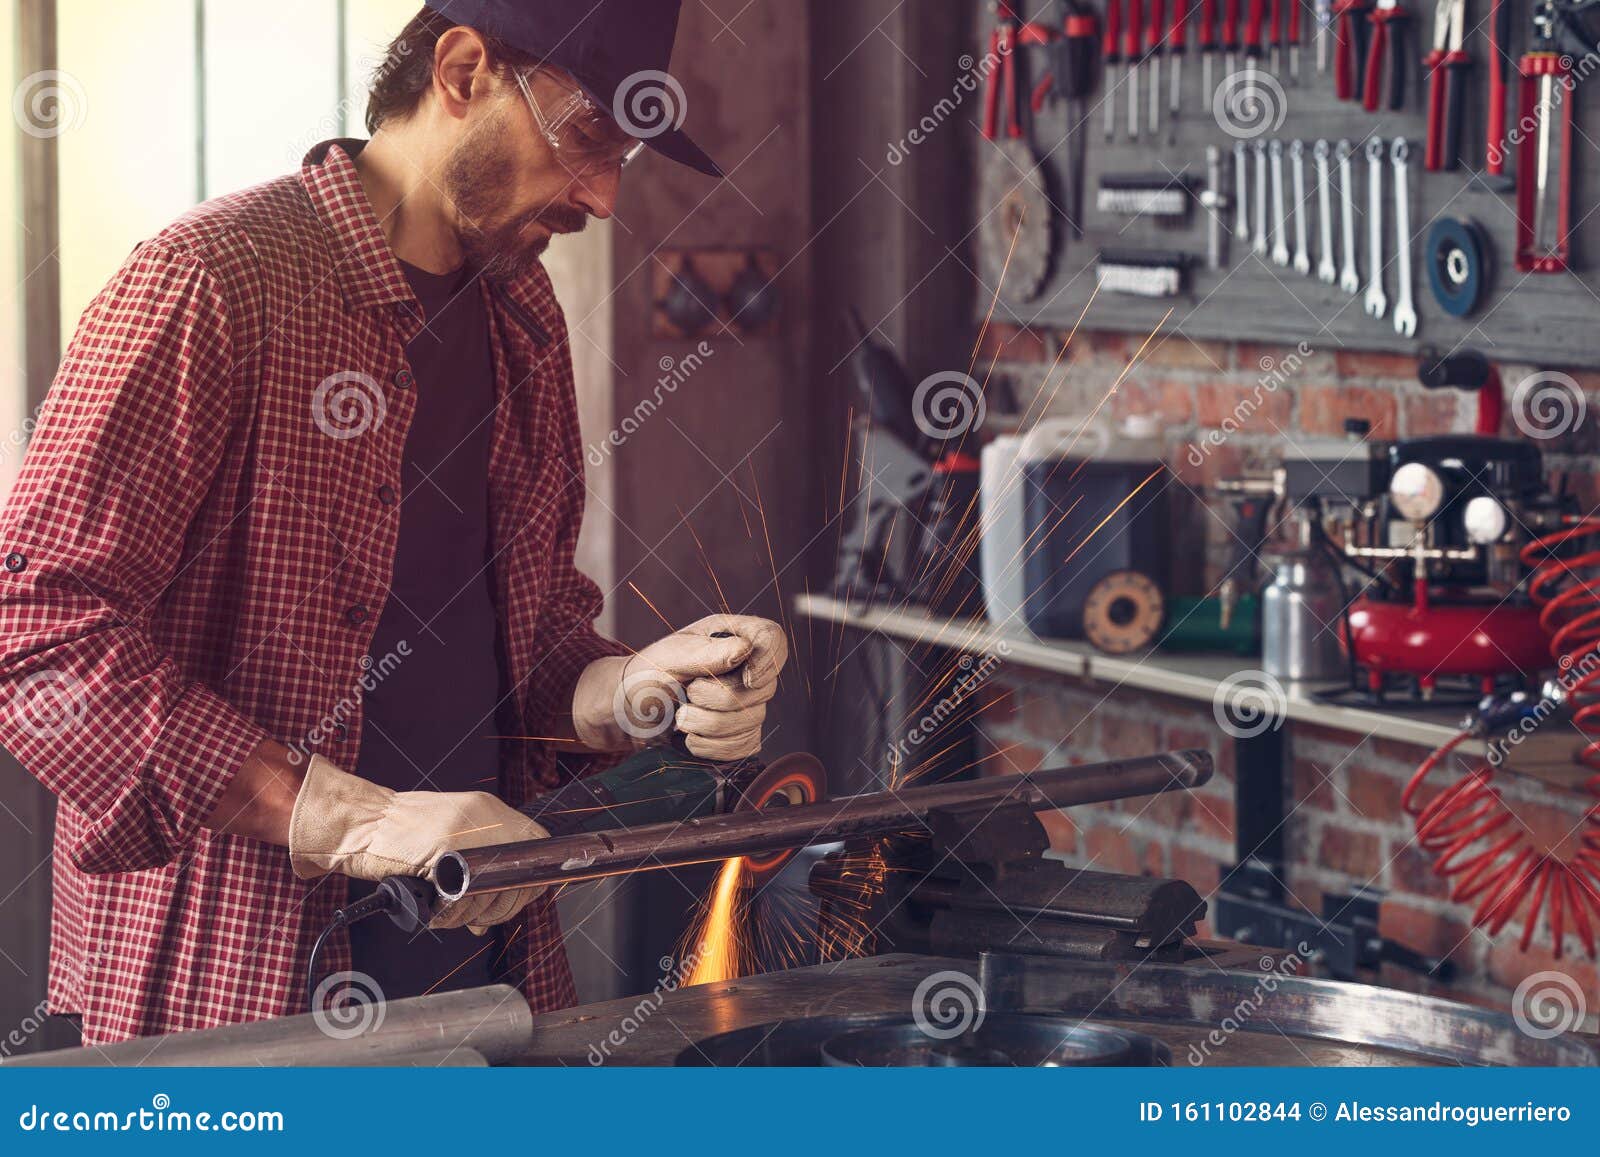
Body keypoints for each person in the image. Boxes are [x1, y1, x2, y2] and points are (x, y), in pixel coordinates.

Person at [0, 0, 786, 1046]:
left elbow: (531, 628)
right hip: (241, 987)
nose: (602, 193)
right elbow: (34, 636)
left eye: (623, 153)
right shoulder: (211, 280)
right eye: (588, 135)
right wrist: (348, 817)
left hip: (479, 975)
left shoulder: (523, 317)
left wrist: (628, 688)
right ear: (461, 71)